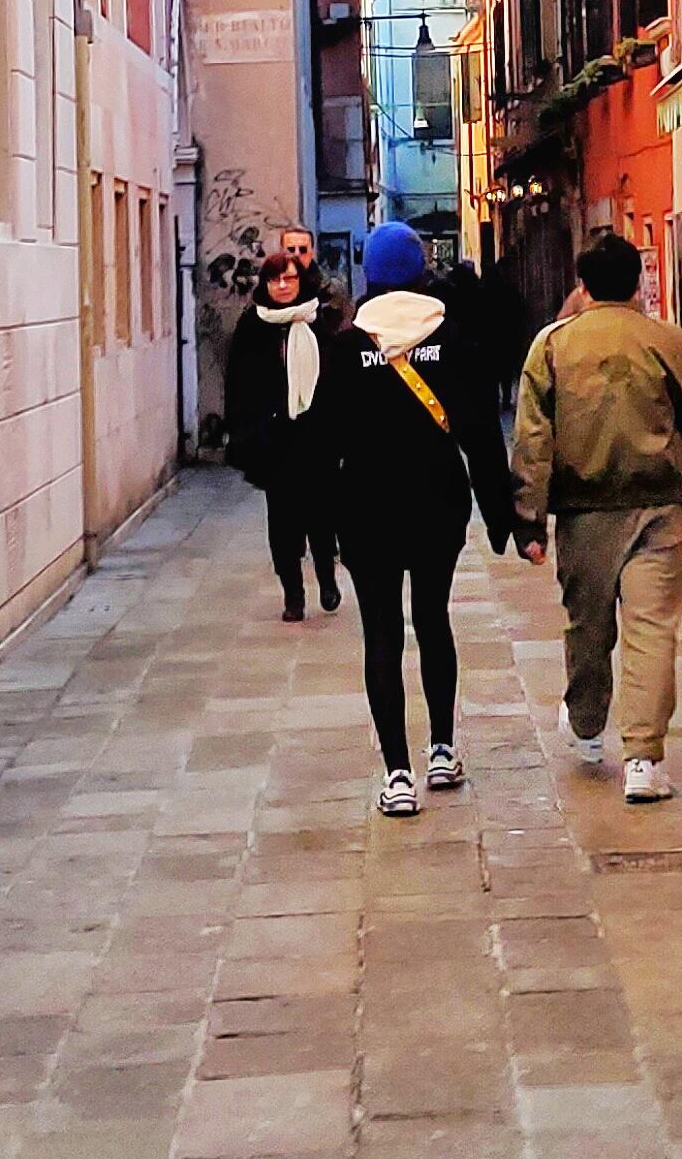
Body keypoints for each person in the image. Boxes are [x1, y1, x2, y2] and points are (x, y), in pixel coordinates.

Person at [512, 232, 682, 806]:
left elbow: (533, 438)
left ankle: (587, 725)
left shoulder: (552, 347)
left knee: (588, 626)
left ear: (582, 285)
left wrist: (529, 519)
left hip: (584, 514)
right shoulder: (669, 341)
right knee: (652, 629)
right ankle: (643, 758)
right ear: (637, 283)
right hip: (659, 508)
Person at [321, 220, 520, 818]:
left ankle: (397, 775)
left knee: (381, 633)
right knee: (432, 620)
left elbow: (323, 443)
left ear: (370, 276)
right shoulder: (453, 338)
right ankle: (441, 749)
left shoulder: (346, 346)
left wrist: (321, 528)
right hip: (436, 502)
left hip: (365, 506)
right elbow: (483, 437)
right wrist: (502, 518)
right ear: (421, 271)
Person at [222, 234, 340, 619]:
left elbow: (338, 381)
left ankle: (327, 578)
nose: (284, 286)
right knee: (283, 523)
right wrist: (247, 432)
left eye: (289, 278)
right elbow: (238, 383)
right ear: (266, 285)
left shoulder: (319, 320)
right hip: (275, 440)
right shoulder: (252, 326)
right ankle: (293, 594)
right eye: (276, 280)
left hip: (317, 436)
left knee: (322, 516)